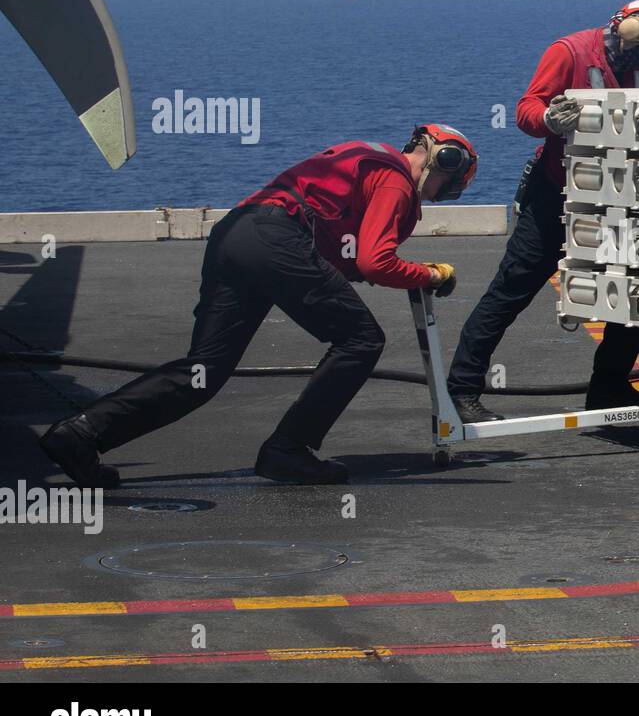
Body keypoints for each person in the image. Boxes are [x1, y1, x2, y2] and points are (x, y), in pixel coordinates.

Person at [39, 126, 477, 486]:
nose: (435, 197)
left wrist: (388, 269)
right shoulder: (396, 179)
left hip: (239, 233)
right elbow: (374, 261)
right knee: (361, 339)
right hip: (277, 239)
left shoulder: (366, 156)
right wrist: (431, 275)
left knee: (203, 371)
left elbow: (345, 256)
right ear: (445, 159)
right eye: (445, 188)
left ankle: (81, 434)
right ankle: (288, 449)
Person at [444, 0, 639, 423]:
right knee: (510, 291)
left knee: (636, 289)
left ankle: (609, 386)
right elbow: (526, 110)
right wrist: (551, 120)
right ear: (630, 28)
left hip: (619, 198)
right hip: (556, 194)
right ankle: (461, 391)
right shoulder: (570, 52)